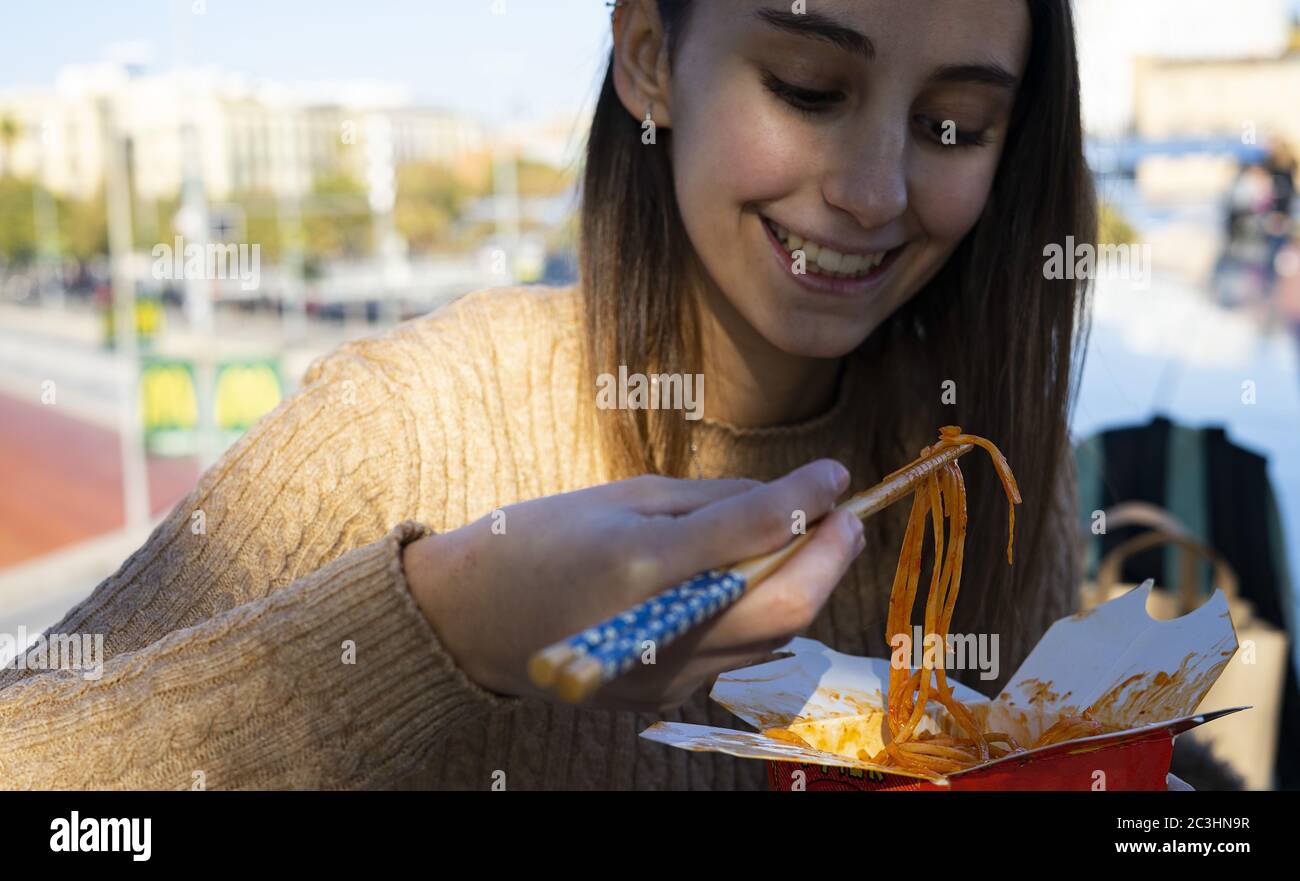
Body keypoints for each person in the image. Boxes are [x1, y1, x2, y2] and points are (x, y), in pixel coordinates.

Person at [1, 0, 1092, 789]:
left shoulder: (1002, 469)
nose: (870, 191)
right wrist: (444, 626)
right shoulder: (402, 431)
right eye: (807, 89)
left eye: (951, 124)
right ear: (650, 59)